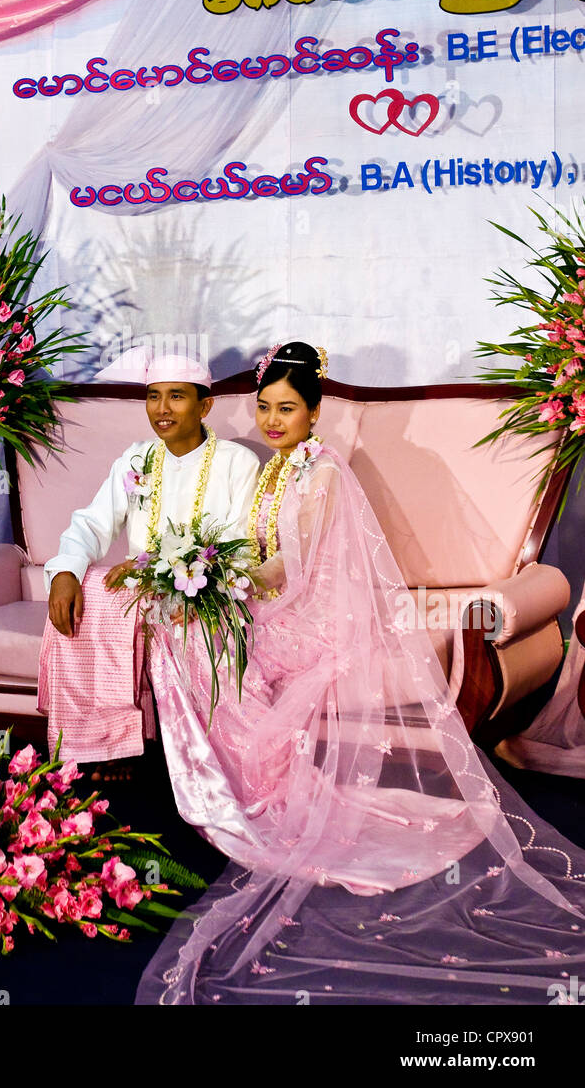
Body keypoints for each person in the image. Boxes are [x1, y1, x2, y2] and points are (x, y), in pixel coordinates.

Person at [136, 342, 585, 1006]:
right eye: (263, 408)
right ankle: (221, 785)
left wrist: (212, 578)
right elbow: (254, 555)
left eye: (285, 408)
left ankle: (242, 793)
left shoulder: (320, 472)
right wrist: (202, 575)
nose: (271, 420)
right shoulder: (275, 470)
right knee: (181, 629)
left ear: (314, 412)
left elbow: (288, 570)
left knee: (200, 634)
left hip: (314, 618)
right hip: (273, 603)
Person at [37, 352, 260, 769]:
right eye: (153, 396)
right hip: (141, 601)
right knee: (89, 591)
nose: (161, 409)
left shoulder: (237, 462)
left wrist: (155, 565)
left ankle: (176, 759)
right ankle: (103, 749)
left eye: (176, 396)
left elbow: (238, 545)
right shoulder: (138, 459)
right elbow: (93, 522)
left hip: (209, 599)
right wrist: (66, 569)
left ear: (205, 405)